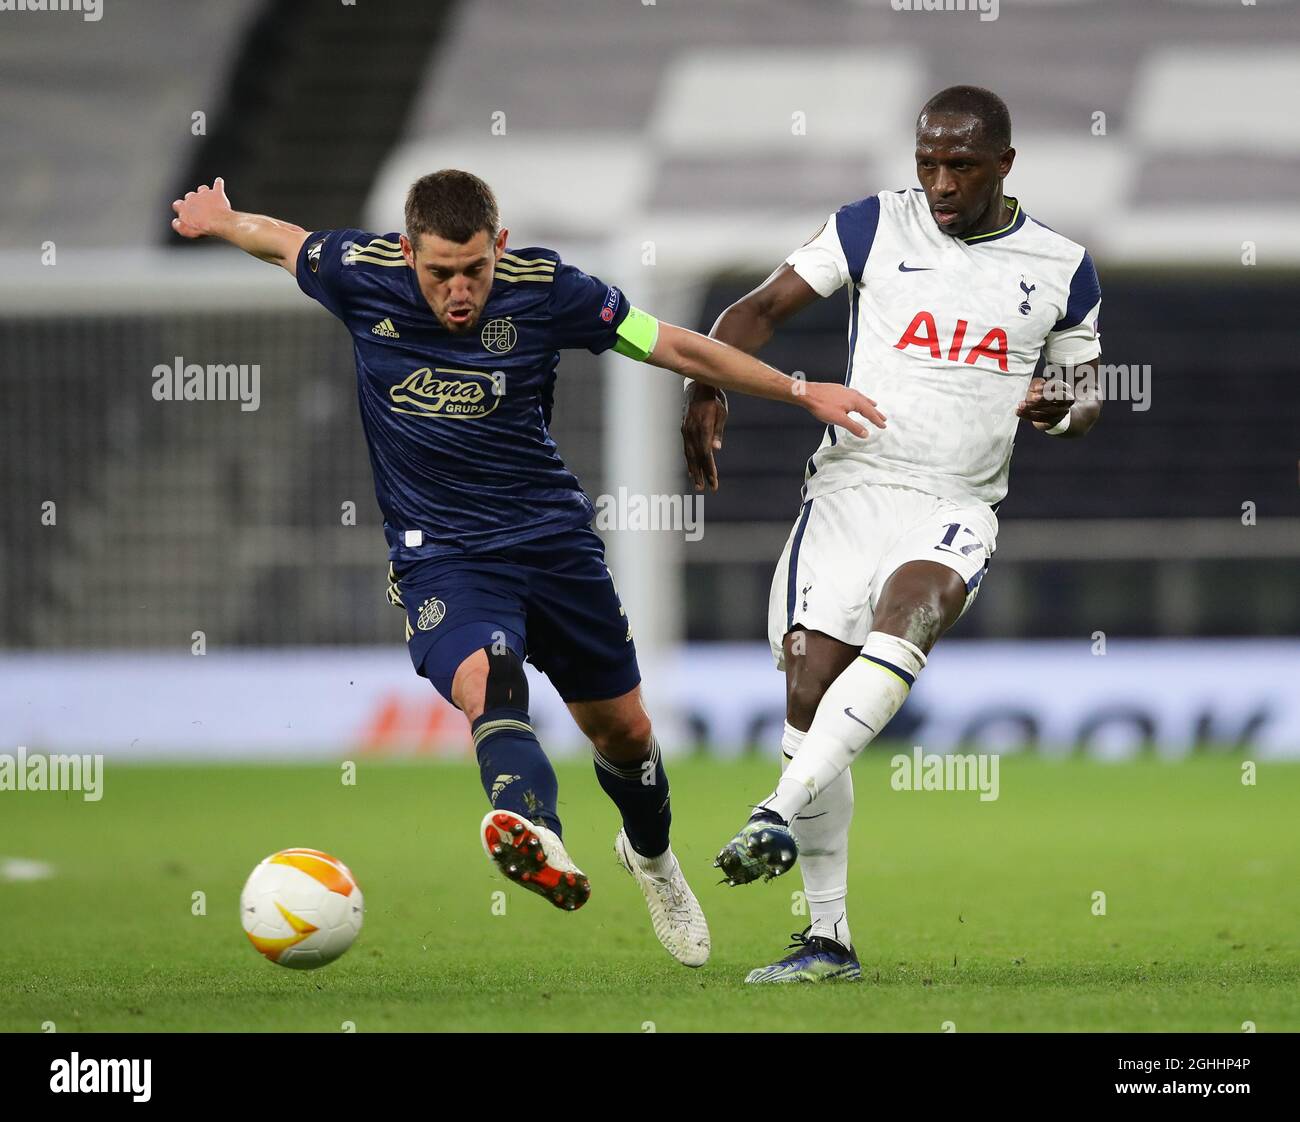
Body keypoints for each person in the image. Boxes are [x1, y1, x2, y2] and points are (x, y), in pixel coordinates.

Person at [171, 168, 882, 969]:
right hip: (442, 555)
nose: (460, 289)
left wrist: (799, 390)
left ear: (499, 246)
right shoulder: (360, 271)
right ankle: (533, 828)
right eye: (440, 273)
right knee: (491, 678)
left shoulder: (547, 290)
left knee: (626, 733)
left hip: (552, 543)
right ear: (407, 254)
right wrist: (225, 220)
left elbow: (669, 343)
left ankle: (650, 859)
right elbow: (284, 242)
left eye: (475, 268)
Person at [682, 86, 1102, 982]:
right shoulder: (873, 227)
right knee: (809, 679)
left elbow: (1087, 395)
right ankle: (828, 938)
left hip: (957, 497)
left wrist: (1060, 409)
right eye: (927, 163)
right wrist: (707, 384)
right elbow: (755, 311)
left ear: (1005, 164)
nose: (940, 181)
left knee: (916, 609)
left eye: (960, 165)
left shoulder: (1063, 266)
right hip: (852, 486)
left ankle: (775, 810)